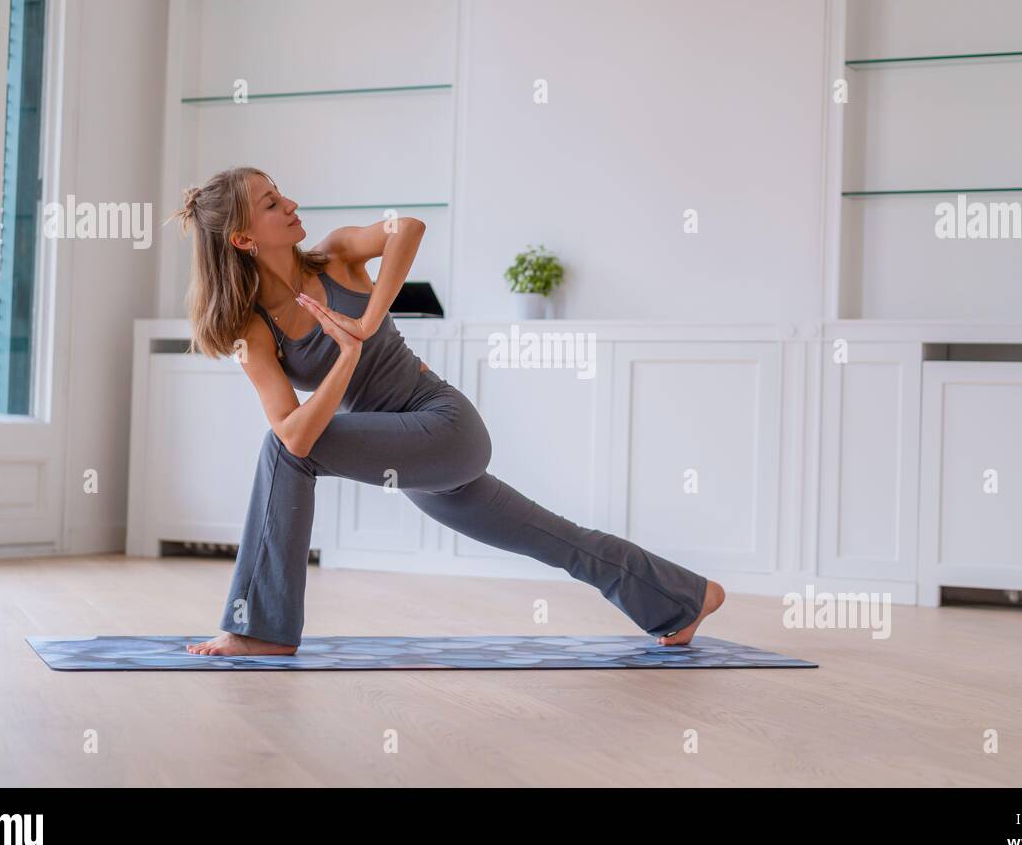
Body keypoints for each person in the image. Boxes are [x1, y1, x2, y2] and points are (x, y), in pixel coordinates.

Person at [166, 166, 725, 656]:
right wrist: (348, 356)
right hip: (409, 460)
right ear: (242, 238)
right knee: (551, 537)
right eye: (271, 203)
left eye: (281, 193)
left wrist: (364, 322)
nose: (290, 204)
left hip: (443, 426)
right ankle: (685, 599)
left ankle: (260, 626)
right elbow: (295, 432)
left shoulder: (336, 255)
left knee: (283, 451)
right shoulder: (250, 328)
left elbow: (406, 228)